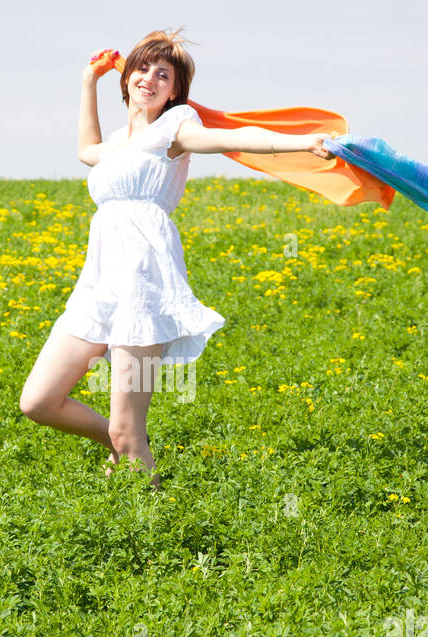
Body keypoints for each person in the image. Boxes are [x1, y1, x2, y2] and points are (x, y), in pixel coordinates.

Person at [19, 28, 335, 487]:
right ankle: (120, 446)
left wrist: (300, 142)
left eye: (162, 74)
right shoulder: (114, 145)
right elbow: (87, 150)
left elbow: (236, 139)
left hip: (143, 288)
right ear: (126, 77)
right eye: (143, 68)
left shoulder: (175, 129)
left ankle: (154, 522)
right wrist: (89, 80)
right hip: (96, 288)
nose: (150, 77)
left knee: (129, 431)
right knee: (39, 402)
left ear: (173, 91)